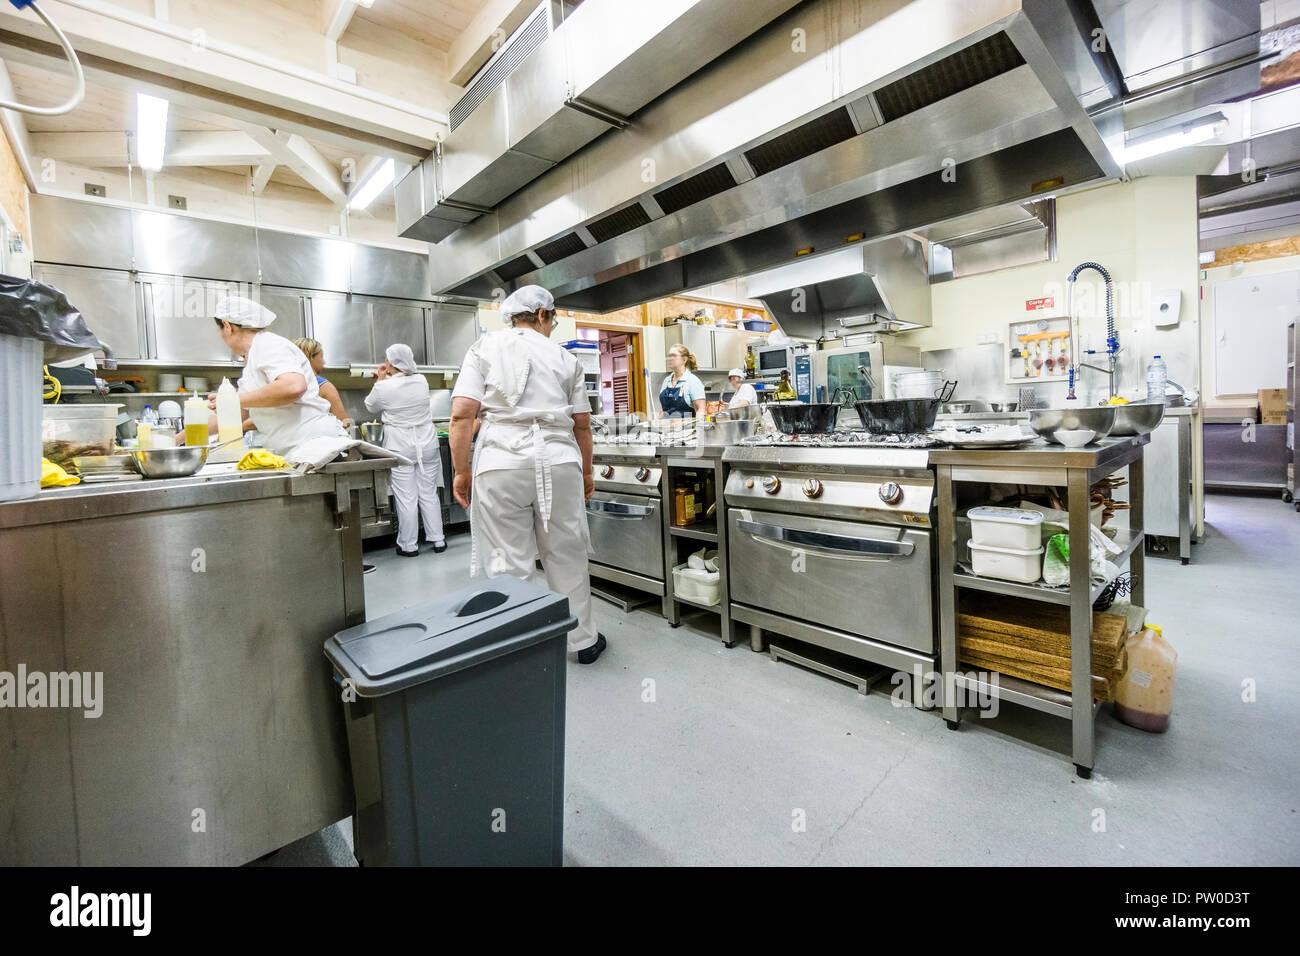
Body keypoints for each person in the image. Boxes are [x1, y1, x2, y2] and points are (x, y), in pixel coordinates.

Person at [448, 284, 606, 664]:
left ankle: (522, 650)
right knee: (566, 554)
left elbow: (461, 414)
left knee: (507, 559)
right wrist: (585, 473)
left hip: (500, 462)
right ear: (541, 315)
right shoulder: (565, 359)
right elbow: (582, 425)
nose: (551, 327)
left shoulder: (483, 347)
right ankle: (582, 641)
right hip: (558, 459)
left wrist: (461, 472)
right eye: (552, 320)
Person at [210, 297, 346, 455]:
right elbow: (236, 416)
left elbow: (293, 386)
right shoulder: (251, 361)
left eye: (218, 330)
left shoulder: (267, 344)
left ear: (227, 326)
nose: (221, 337)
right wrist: (178, 439)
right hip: (295, 452)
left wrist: (232, 400)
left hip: (317, 448)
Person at [365, 344, 446, 557]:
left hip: (400, 448)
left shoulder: (383, 388)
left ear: (390, 362)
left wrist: (381, 379)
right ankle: (438, 540)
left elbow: (370, 406)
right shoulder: (422, 381)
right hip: (427, 444)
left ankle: (409, 545)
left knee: (406, 498)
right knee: (429, 494)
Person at [292, 337, 352, 429]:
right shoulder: (324, 386)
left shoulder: (283, 384)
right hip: (317, 439)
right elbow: (344, 422)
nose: (324, 362)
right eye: (321, 356)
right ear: (311, 357)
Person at [659, 343, 706, 418]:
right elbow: (663, 410)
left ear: (684, 359)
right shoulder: (666, 380)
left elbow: (700, 410)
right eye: (669, 356)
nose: (670, 358)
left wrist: (699, 428)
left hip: (687, 428)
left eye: (673, 355)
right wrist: (658, 425)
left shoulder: (692, 381)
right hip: (667, 428)